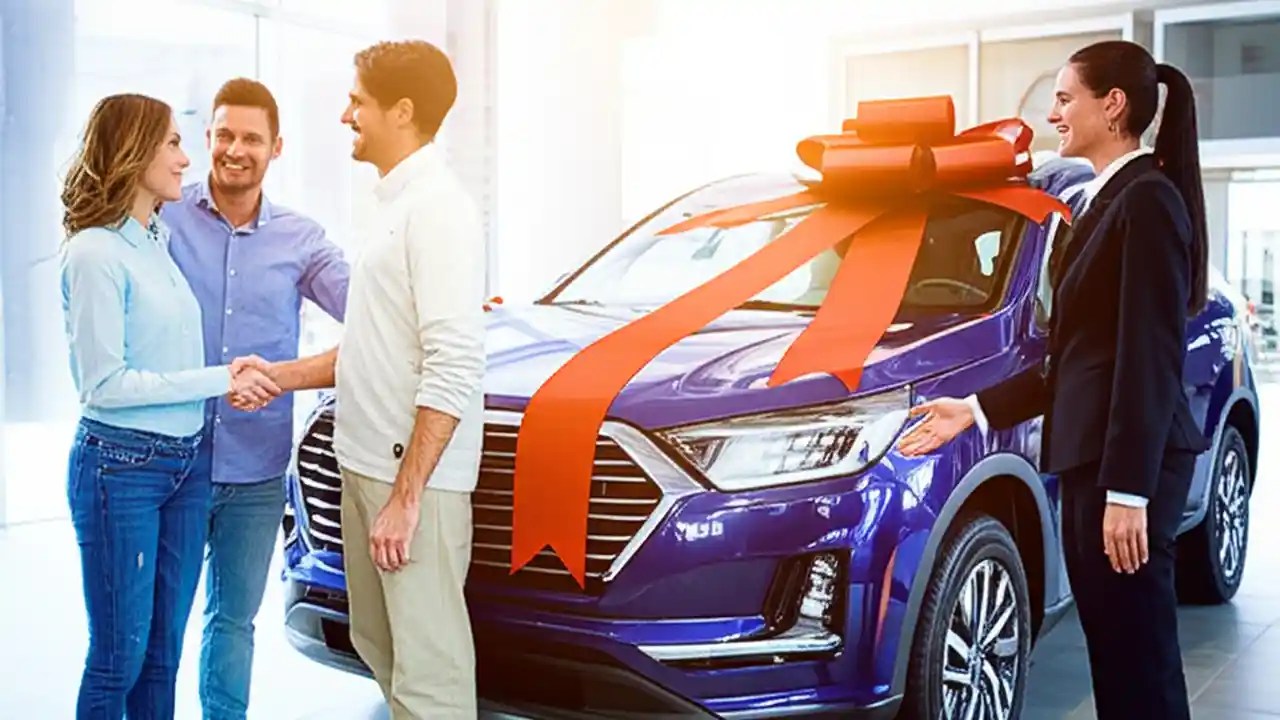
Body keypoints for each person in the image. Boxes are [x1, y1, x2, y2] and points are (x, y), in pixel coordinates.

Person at [897, 40, 1210, 720]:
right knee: (1117, 653)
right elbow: (1075, 359)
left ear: (1113, 105)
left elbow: (1148, 356)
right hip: (1094, 463)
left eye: (1065, 98)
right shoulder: (1108, 200)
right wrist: (974, 411)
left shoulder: (1147, 201)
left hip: (1123, 474)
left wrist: (1127, 492)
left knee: (1140, 659)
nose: (1053, 113)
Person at [237, 40, 485, 718]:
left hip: (411, 484)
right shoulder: (391, 206)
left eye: (358, 102)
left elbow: (454, 360)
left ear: (401, 111)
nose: (347, 114)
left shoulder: (439, 210)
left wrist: (408, 497)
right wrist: (278, 375)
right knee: (381, 646)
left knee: (428, 672)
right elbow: (371, 348)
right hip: (365, 467)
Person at [59, 93, 279, 719]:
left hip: (182, 468)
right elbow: (103, 386)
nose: (189, 159)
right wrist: (221, 379)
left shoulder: (155, 240)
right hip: (120, 469)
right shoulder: (95, 253)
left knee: (162, 657)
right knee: (117, 659)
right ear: (134, 154)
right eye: (175, 144)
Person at [160, 77, 350, 720]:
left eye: (250, 138)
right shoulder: (162, 218)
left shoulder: (301, 239)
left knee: (232, 622)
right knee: (157, 626)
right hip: (168, 460)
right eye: (222, 135)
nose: (233, 150)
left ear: (276, 148)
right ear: (207, 138)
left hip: (256, 469)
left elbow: (377, 320)